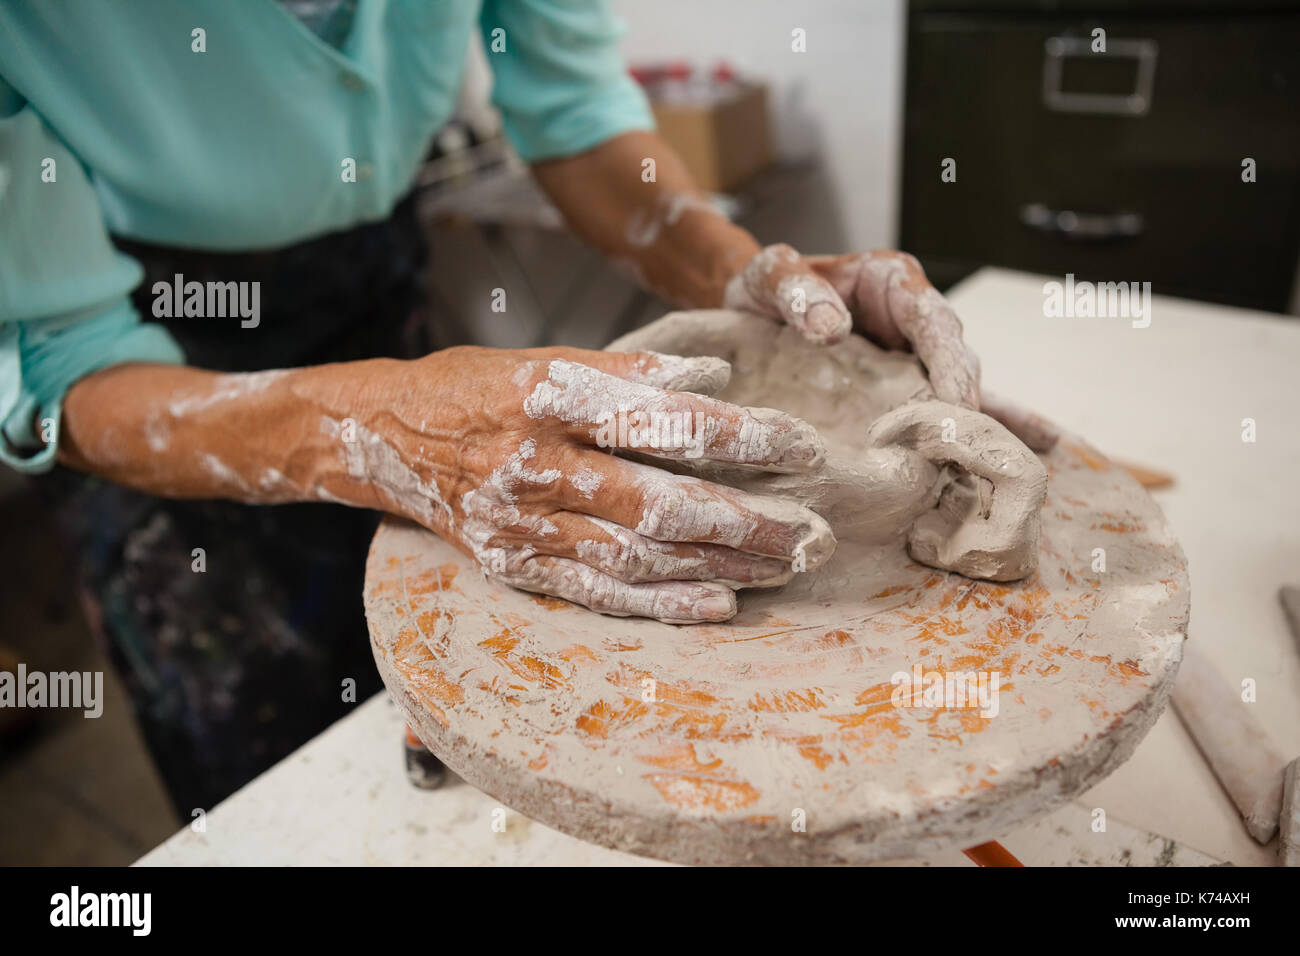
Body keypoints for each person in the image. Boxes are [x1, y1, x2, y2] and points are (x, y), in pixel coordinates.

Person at [0, 1, 1006, 809]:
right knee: (297, 788)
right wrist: (380, 429)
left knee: (449, 713)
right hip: (158, 368)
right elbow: (60, 364)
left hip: (373, 289)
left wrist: (743, 274)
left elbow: (575, 119)